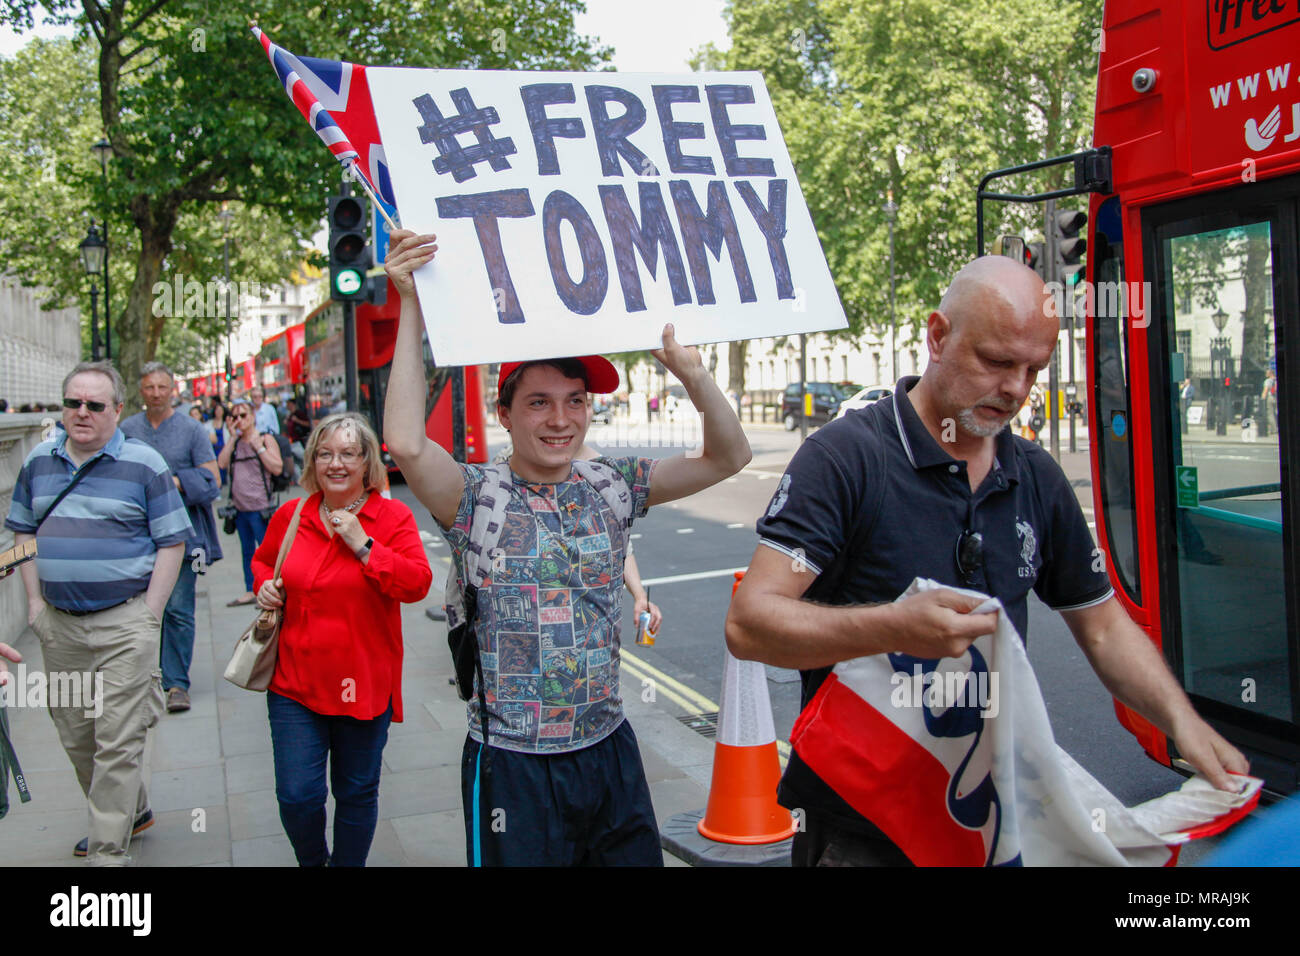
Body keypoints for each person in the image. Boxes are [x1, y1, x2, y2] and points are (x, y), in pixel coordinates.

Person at [725, 256, 1249, 867]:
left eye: (1036, 369)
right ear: (939, 336)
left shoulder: (1036, 476)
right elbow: (749, 622)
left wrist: (1182, 723)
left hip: (986, 819)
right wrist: (892, 626)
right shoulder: (844, 458)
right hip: (863, 832)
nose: (1018, 390)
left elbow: (1103, 627)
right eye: (998, 362)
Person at [382, 229, 751, 866]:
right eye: (539, 403)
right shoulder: (473, 495)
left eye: (575, 401)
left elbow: (730, 457)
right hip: (512, 767)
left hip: (608, 751)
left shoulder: (613, 484)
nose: (561, 420)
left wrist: (692, 373)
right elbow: (408, 444)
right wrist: (412, 303)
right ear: (505, 412)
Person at [5, 361, 190, 864]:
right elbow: (22, 531)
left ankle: (109, 852)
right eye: (73, 403)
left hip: (125, 622)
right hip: (58, 625)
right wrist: (36, 605)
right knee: (76, 731)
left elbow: (173, 542)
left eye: (94, 404)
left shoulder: (145, 463)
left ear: (117, 410)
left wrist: (150, 614)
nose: (81, 413)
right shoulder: (38, 463)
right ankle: (132, 808)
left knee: (117, 737)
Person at [252, 412, 431, 866]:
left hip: (364, 684)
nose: (336, 464)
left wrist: (365, 546)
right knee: (297, 796)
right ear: (312, 461)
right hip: (295, 683)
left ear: (367, 462)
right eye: (326, 453)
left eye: (348, 454)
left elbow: (416, 584)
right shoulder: (292, 515)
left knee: (355, 791)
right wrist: (264, 587)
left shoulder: (391, 517)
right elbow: (263, 562)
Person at [121, 362, 223, 714]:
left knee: (179, 609)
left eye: (162, 387)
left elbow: (213, 481)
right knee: (139, 612)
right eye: (149, 387)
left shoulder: (192, 430)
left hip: (183, 538)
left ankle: (177, 683)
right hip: (134, 537)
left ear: (172, 389)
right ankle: (144, 679)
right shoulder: (127, 429)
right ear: (141, 391)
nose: (156, 394)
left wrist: (173, 483)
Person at [218, 397, 283, 606]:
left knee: (266, 552)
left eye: (243, 415)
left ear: (253, 416)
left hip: (261, 507)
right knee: (246, 552)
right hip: (240, 508)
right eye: (234, 416)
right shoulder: (235, 443)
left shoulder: (265, 439)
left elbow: (277, 467)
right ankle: (250, 589)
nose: (239, 420)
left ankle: (272, 589)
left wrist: (259, 447)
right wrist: (230, 437)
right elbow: (221, 463)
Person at [284, 397, 312, 467]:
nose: (288, 406)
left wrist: (297, 420)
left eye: (289, 404)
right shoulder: (289, 415)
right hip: (292, 441)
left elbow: (308, 424)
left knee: (304, 460)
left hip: (299, 441)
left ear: (294, 405)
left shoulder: (299, 413)